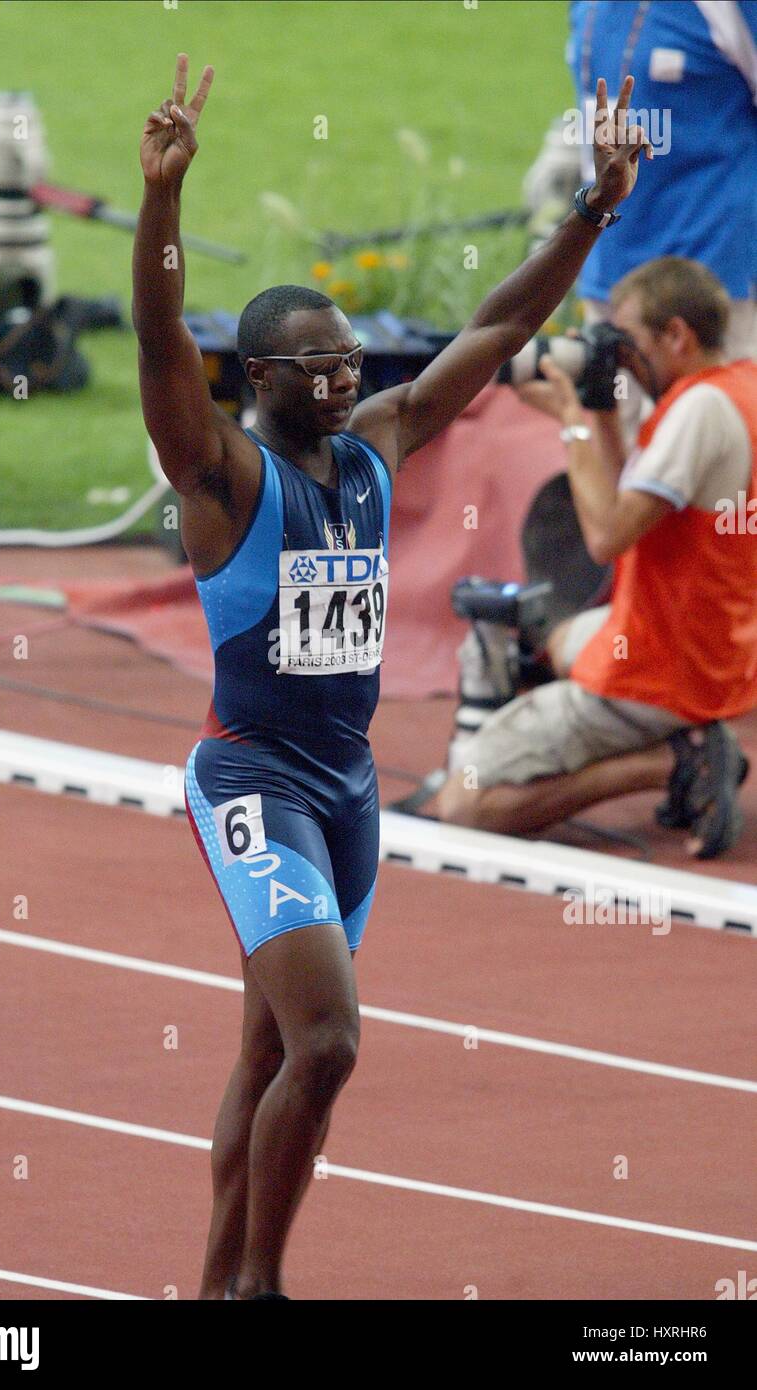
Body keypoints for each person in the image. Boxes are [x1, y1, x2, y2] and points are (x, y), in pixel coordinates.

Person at [131, 53, 651, 1301]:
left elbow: (500, 328)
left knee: (270, 1058)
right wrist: (161, 203)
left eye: (353, 352)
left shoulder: (377, 443)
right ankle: (259, 1287)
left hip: (349, 786)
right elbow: (158, 342)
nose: (346, 372)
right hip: (254, 778)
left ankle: (217, 1287)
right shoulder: (220, 482)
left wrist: (591, 208)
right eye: (317, 362)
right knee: (330, 1040)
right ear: (259, 382)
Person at [434, 256, 757, 858]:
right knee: (557, 639)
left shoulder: (696, 411)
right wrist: (600, 417)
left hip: (660, 669)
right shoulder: (737, 390)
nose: (615, 356)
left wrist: (572, 426)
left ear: (676, 336)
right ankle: (673, 740)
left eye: (624, 341)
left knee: (466, 803)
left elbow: (607, 536)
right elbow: (628, 500)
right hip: (719, 649)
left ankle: (670, 762)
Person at [568, 0, 757, 446]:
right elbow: (592, 102)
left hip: (711, 282)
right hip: (612, 273)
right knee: (623, 462)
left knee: (717, 459)